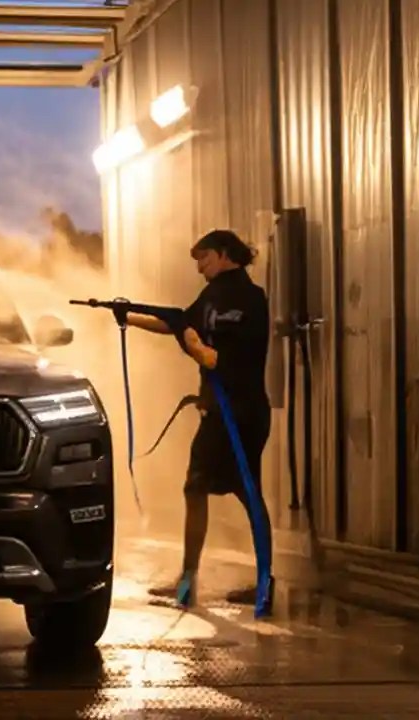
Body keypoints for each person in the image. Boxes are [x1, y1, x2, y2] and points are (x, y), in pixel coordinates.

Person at [122, 229, 273, 610]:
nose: (200, 267)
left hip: (240, 411)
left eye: (204, 259)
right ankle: (207, 579)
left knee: (240, 490)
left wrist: (202, 350)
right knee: (212, 487)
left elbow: (217, 350)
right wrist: (129, 317)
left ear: (224, 255)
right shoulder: (211, 296)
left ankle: (248, 582)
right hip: (221, 410)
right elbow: (177, 322)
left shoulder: (251, 298)